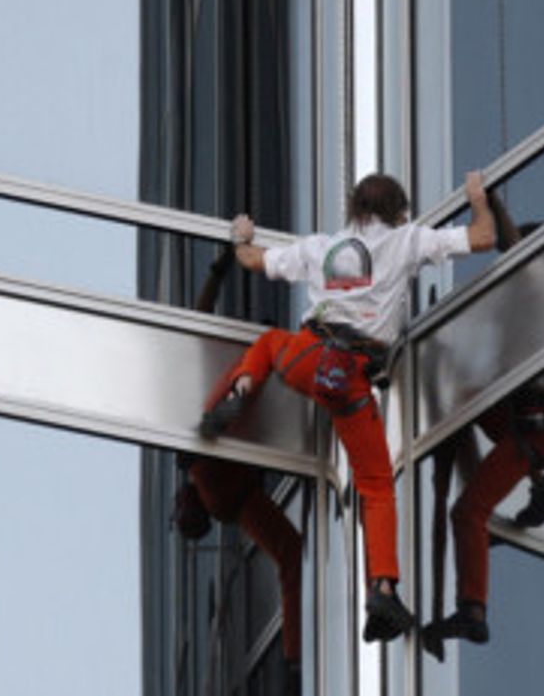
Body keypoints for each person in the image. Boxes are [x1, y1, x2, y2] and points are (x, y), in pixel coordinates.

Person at [199, 171, 497, 642]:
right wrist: (477, 198)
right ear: (398, 210)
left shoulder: (320, 246)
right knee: (376, 485)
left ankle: (241, 388)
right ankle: (381, 588)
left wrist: (240, 236)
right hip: (349, 375)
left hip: (305, 357)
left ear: (354, 209)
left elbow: (254, 260)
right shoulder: (407, 240)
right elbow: (484, 237)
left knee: (271, 342)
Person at [420, 193, 544, 661]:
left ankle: (473, 610)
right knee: (466, 400)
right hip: (528, 418)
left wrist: (495, 203)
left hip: (536, 426)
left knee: (467, 513)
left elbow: (514, 250)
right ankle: (540, 488)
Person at [172, 247, 304, 691]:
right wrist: (292, 657)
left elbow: (199, 319)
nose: (184, 508)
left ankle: (253, 374)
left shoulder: (210, 485)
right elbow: (288, 553)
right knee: (219, 410)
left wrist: (220, 266)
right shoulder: (220, 496)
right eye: (190, 518)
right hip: (244, 401)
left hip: (237, 402)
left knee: (216, 410)